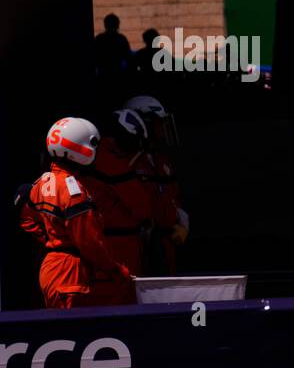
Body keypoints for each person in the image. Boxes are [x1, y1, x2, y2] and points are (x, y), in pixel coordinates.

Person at [19, 118, 132, 308]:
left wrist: (52, 238)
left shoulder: (40, 183)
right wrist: (117, 271)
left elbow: (27, 220)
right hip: (69, 273)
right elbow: (89, 242)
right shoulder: (74, 191)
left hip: (50, 267)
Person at [83, 108, 154, 278]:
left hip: (96, 245)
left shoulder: (91, 157)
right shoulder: (114, 164)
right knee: (124, 296)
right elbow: (143, 208)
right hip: (120, 248)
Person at [123, 94, 188, 273]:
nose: (162, 128)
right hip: (140, 248)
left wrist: (183, 223)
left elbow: (175, 197)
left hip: (167, 246)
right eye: (158, 123)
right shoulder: (126, 162)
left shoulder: (162, 161)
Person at [92, 14, 132, 79]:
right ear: (117, 25)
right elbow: (128, 57)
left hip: (103, 75)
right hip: (117, 74)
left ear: (105, 25)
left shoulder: (99, 38)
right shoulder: (121, 38)